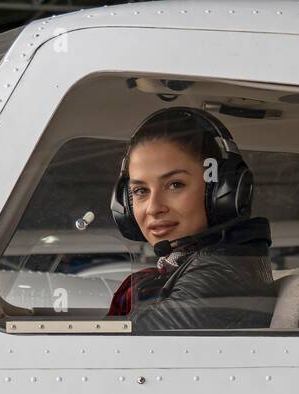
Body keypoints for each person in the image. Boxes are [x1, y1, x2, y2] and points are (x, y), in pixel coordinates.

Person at [106, 107, 276, 332]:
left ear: (221, 193)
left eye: (175, 185)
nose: (154, 208)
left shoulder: (219, 276)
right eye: (140, 191)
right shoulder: (193, 267)